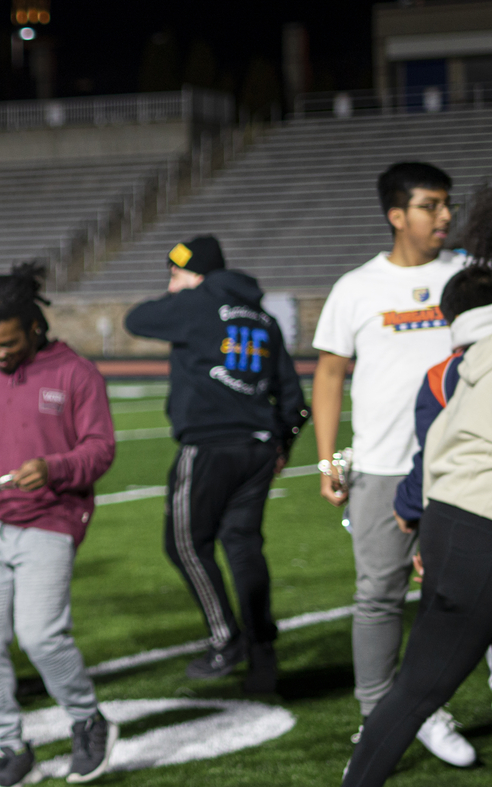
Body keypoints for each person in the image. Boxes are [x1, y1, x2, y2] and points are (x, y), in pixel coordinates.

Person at [309, 161, 475, 764]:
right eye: (431, 205)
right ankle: (377, 717)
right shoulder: (356, 287)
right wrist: (327, 460)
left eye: (447, 204)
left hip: (463, 466)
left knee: (461, 595)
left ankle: (428, 709)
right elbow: (329, 375)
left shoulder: (470, 276)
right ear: (396, 215)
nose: (445, 215)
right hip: (381, 467)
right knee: (378, 595)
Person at [0, 263, 117, 786]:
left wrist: (54, 468)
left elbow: (101, 448)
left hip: (51, 519)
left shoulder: (76, 373)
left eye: (8, 342)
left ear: (34, 327)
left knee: (40, 636)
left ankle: (88, 720)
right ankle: (11, 747)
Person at [123, 235, 308, 692]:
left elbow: (136, 319)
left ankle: (226, 639)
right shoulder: (264, 317)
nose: (171, 284)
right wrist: (283, 443)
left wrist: (188, 294)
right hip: (259, 448)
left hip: (208, 445)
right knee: (243, 547)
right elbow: (293, 397)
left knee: (184, 544)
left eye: (176, 274)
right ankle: (262, 652)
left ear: (197, 274)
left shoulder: (196, 304)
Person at [342, 263, 492, 785]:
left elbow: (434, 451)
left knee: (416, 685)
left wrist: (416, 514)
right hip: (478, 519)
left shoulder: (451, 368)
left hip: (448, 517)